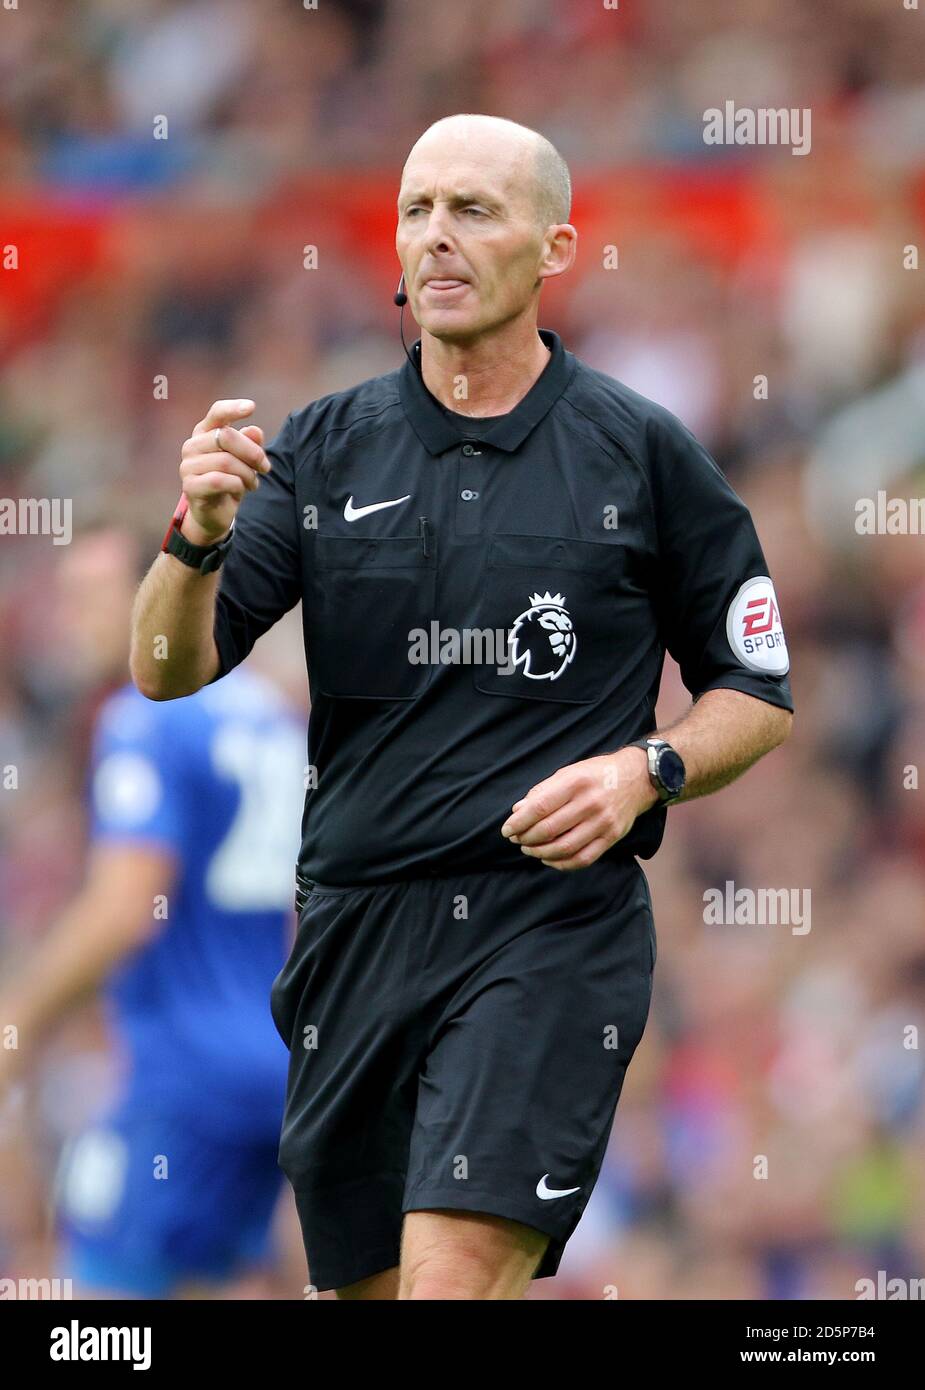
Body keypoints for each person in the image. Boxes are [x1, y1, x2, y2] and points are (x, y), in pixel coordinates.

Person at [129, 113, 793, 1300]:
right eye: (416, 210)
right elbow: (169, 667)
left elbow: (757, 689)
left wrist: (651, 767)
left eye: (473, 210)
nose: (435, 237)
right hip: (351, 938)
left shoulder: (638, 453)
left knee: (452, 1282)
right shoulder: (324, 451)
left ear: (554, 246)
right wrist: (195, 541)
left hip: (543, 928)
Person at [0, 525, 306, 1297]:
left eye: (95, 596)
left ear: (158, 595)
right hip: (276, 1065)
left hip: (183, 1076)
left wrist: (18, 1022)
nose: (76, 618)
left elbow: (127, 907)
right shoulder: (268, 712)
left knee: (98, 1307)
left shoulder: (144, 715)